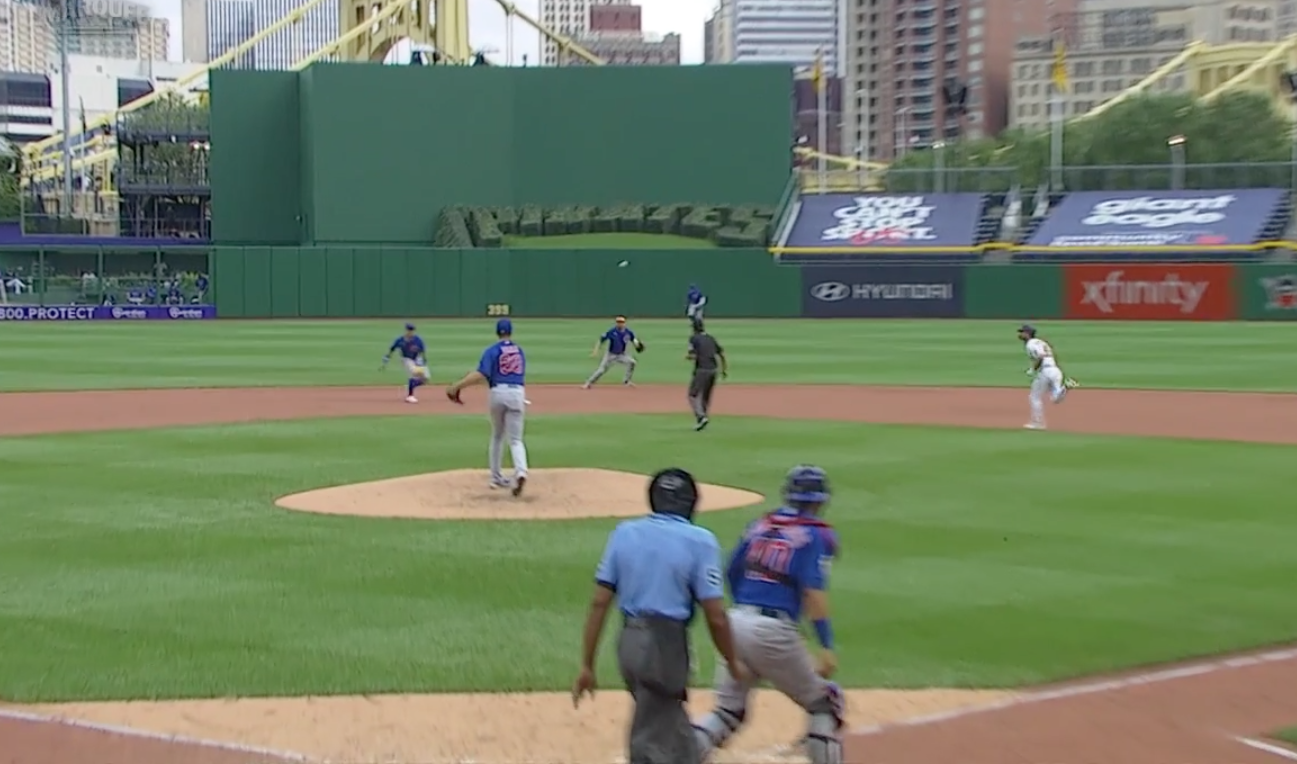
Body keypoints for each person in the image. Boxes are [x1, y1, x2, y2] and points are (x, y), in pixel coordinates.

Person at [572, 468, 746, 764]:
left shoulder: (625, 532)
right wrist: (732, 660)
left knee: (667, 726)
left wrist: (587, 665)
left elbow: (599, 602)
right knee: (652, 736)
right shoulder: (700, 540)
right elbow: (716, 616)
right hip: (664, 645)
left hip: (628, 643)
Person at [691, 465, 844, 764]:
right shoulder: (815, 536)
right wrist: (825, 645)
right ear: (820, 500)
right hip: (773, 630)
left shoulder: (759, 525)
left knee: (726, 712)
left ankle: (678, 757)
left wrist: (746, 608)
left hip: (735, 623)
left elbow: (732, 570)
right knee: (824, 705)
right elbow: (814, 594)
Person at [446, 318, 529, 496]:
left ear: (497, 332)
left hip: (498, 393)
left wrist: (457, 386)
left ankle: (496, 476)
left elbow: (481, 374)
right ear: (511, 332)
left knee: (498, 435)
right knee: (516, 440)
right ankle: (521, 472)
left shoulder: (492, 350)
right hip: (517, 393)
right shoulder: (519, 351)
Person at [1018, 323, 1077, 430]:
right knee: (1055, 398)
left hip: (1045, 371)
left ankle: (1038, 423)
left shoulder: (1030, 344)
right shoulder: (1041, 342)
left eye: (1022, 332)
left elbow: (1041, 356)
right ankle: (1066, 387)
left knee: (1034, 396)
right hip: (1056, 370)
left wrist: (1033, 369)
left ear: (1028, 334)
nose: (1020, 334)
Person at [686, 319, 727, 431]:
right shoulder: (711, 338)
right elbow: (721, 354)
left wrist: (689, 357)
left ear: (694, 328)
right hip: (714, 370)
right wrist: (724, 370)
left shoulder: (693, 338)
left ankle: (701, 417)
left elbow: (692, 355)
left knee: (692, 395)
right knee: (705, 397)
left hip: (702, 369)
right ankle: (704, 418)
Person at [583, 315, 642, 388]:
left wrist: (637, 345)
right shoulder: (612, 331)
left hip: (622, 355)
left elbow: (634, 340)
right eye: (618, 322)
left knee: (632, 362)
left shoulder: (628, 332)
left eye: (622, 322)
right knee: (601, 370)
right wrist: (595, 351)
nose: (620, 323)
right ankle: (588, 383)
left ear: (625, 323)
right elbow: (601, 340)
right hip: (610, 355)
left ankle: (626, 381)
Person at [382, 323, 430, 403]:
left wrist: (423, 359)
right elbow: (392, 348)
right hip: (406, 359)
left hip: (416, 359)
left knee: (426, 379)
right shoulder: (400, 340)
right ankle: (410, 396)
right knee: (414, 372)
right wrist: (387, 357)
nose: (410, 332)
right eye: (409, 330)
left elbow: (422, 350)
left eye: (412, 330)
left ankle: (411, 386)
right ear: (406, 330)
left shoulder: (418, 340)